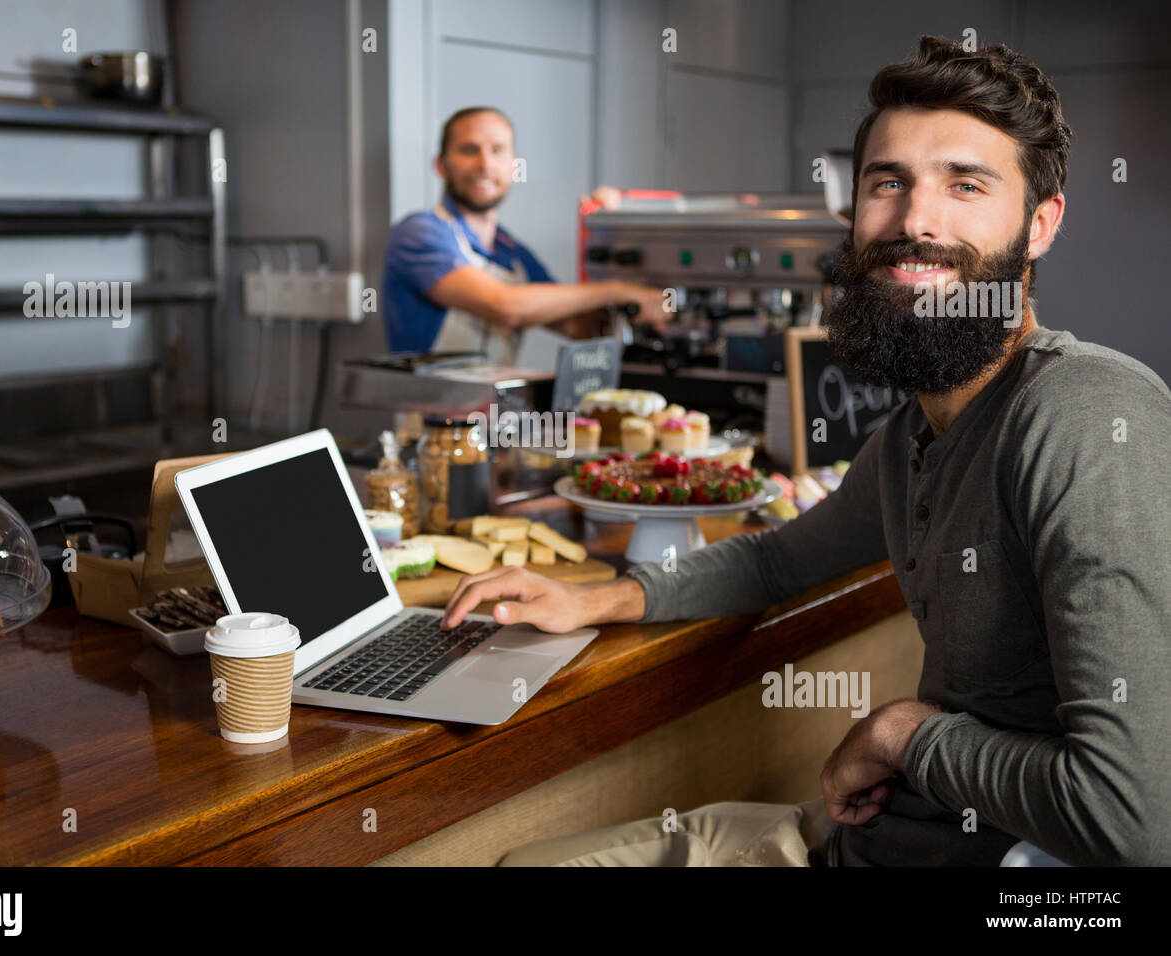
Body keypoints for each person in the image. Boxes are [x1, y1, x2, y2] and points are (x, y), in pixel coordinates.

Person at [439, 35, 1171, 866]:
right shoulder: (910, 437)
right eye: (887, 183)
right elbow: (780, 561)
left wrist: (905, 733)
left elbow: (1135, 820)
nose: (915, 221)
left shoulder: (1084, 413)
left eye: (966, 185)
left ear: (1041, 225)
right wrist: (599, 600)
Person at [381, 106, 669, 364]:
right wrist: (617, 289)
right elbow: (507, 306)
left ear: (513, 168)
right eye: (469, 150)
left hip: (497, 417)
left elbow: (577, 327)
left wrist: (614, 231)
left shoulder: (513, 252)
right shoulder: (420, 233)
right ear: (441, 165)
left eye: (497, 150)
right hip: (428, 419)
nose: (485, 164)